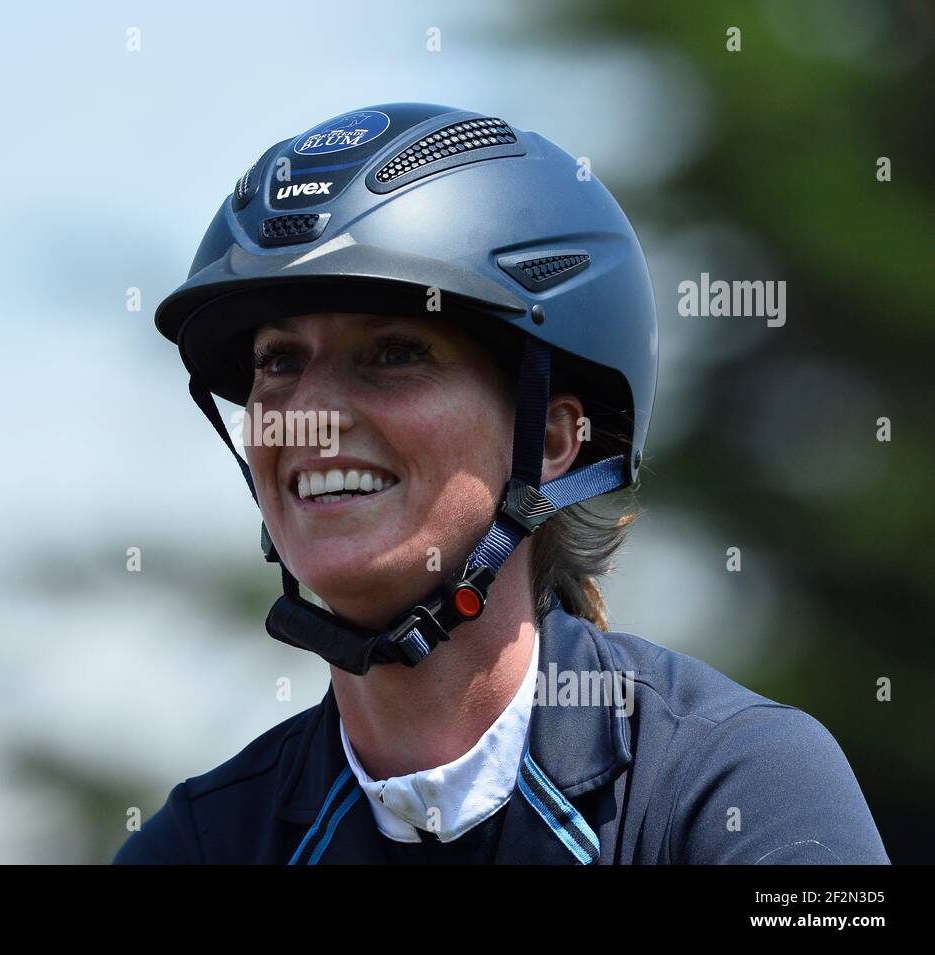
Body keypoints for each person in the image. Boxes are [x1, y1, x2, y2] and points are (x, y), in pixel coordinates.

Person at [115, 103, 889, 864]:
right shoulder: (199, 841)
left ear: (553, 442)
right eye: (280, 363)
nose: (307, 417)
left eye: (392, 352)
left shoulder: (740, 786)